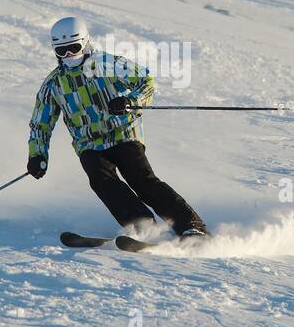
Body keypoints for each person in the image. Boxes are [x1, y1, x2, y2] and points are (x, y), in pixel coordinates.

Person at [27, 16, 208, 239]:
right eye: (61, 51)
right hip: (89, 144)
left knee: (141, 180)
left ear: (85, 43)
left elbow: (146, 82)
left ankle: (192, 226)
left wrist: (130, 101)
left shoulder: (108, 64)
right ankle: (145, 229)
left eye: (73, 48)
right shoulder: (53, 84)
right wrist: (37, 155)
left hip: (123, 133)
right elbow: (40, 124)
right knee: (102, 183)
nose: (68, 55)